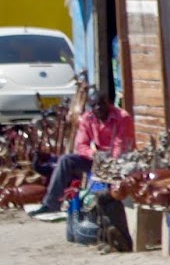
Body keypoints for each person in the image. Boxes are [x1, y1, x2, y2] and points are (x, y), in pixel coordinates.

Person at [28, 89, 134, 220]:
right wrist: (94, 154)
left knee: (114, 178)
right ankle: (51, 203)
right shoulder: (88, 118)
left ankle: (108, 209)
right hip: (97, 157)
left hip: (119, 160)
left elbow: (121, 145)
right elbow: (81, 145)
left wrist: (109, 162)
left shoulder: (122, 117)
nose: (98, 108)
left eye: (101, 104)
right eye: (94, 105)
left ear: (109, 103)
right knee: (66, 160)